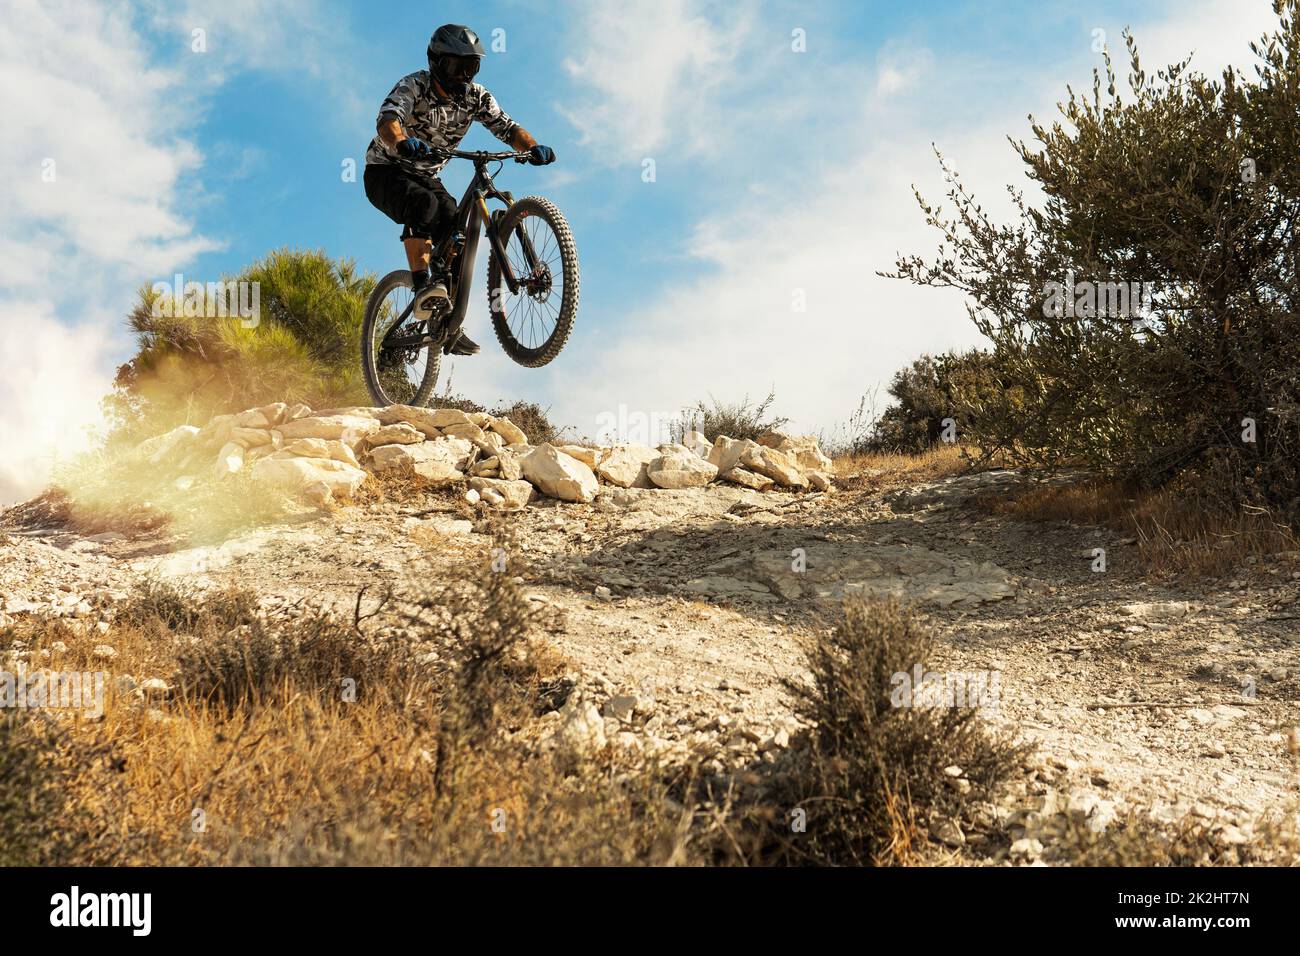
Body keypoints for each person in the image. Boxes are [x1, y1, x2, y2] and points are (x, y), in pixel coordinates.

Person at [364, 23, 555, 356]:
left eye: (472, 66)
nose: (464, 75)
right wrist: (401, 142)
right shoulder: (415, 85)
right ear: (437, 61)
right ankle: (423, 284)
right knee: (424, 206)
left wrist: (532, 147)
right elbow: (388, 120)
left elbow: (507, 128)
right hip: (386, 171)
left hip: (427, 176)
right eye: (458, 66)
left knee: (456, 228)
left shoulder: (475, 97)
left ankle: (447, 323)